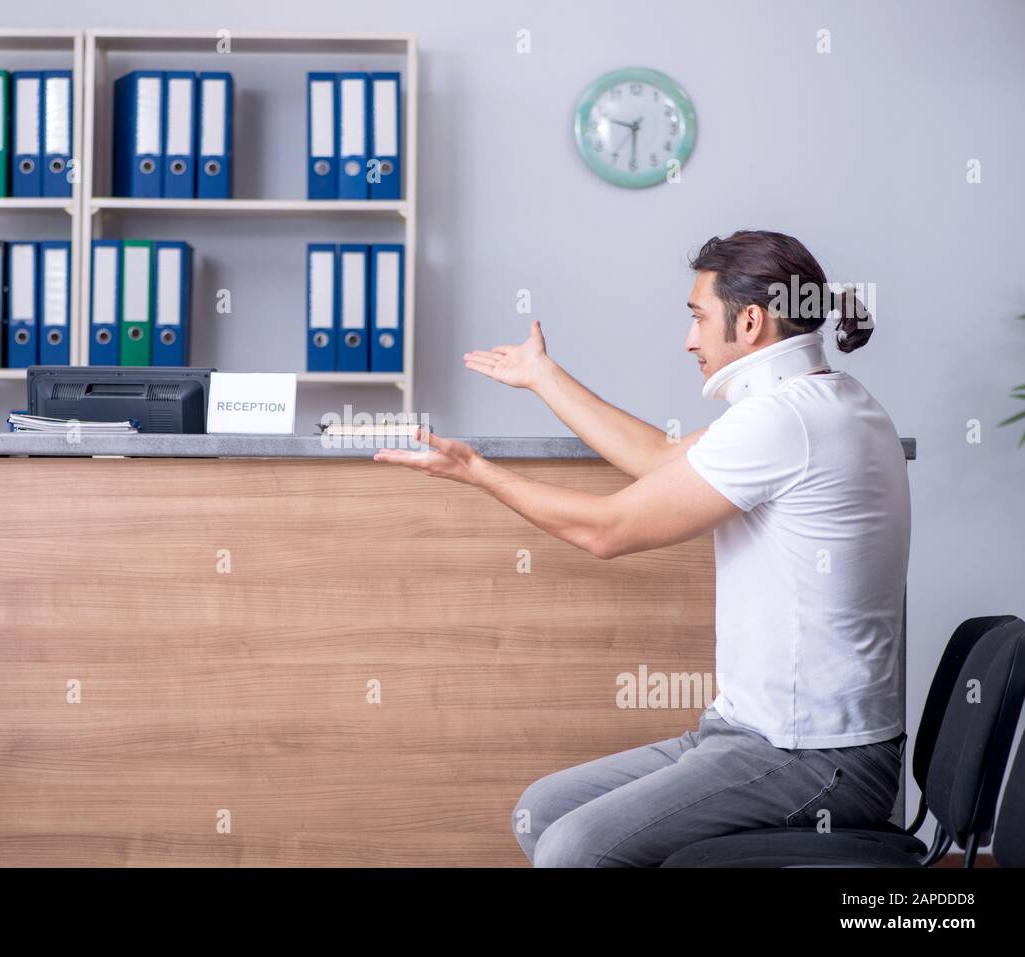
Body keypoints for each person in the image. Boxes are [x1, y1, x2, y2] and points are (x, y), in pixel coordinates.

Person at [374, 230, 911, 866]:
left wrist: (478, 472)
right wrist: (543, 377)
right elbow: (659, 459)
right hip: (749, 734)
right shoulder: (819, 400)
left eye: (698, 319)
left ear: (749, 321)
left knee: (573, 850)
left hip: (815, 758)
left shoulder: (785, 420)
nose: (689, 341)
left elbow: (606, 531)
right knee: (542, 812)